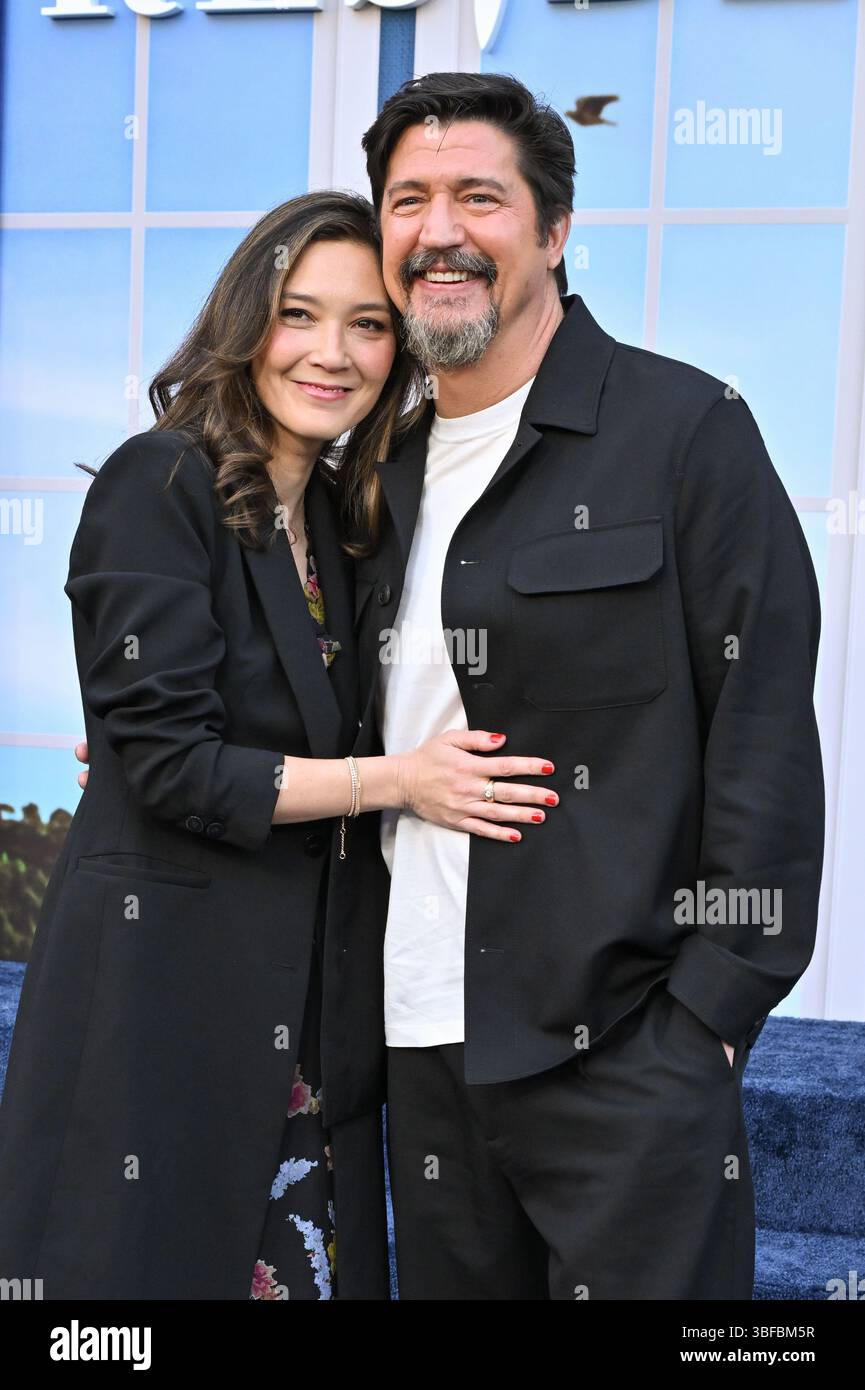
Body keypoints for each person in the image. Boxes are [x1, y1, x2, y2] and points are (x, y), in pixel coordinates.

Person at [0, 189, 556, 1301]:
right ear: (247, 319)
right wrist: (399, 782)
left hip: (311, 1027)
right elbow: (170, 765)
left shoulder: (349, 524)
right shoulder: (157, 483)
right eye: (300, 314)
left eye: (366, 324)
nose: (331, 353)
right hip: (167, 1009)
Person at [329, 71, 823, 1300]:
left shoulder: (684, 432)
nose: (438, 231)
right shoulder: (365, 472)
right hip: (417, 1046)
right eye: (407, 201)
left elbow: (760, 737)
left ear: (552, 229)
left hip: (627, 1057)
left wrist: (705, 1021)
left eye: (477, 198)